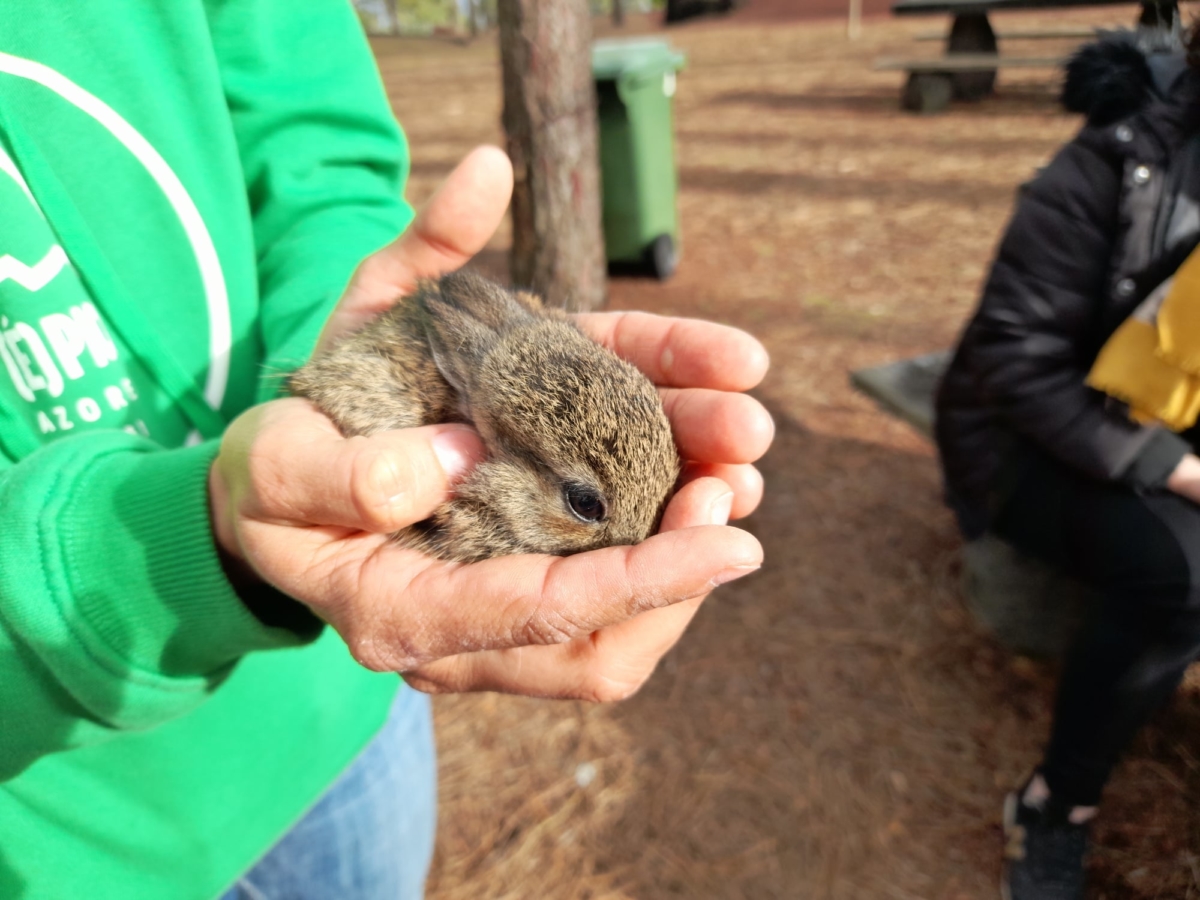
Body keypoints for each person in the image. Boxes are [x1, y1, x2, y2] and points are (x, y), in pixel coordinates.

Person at [0, 4, 773, 899]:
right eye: (585, 509)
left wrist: (337, 296)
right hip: (72, 832)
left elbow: (313, 156)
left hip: (344, 731)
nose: (610, 536)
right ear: (483, 433)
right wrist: (216, 532)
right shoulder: (441, 462)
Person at [936, 30, 1200, 900]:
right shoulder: (1111, 165)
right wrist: (1173, 467)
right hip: (1030, 439)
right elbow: (1016, 361)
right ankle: (1056, 802)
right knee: (1185, 573)